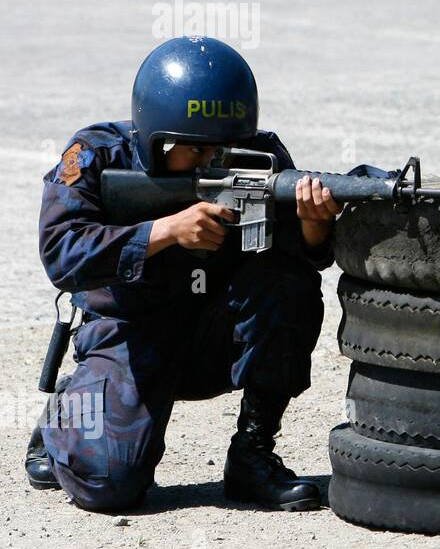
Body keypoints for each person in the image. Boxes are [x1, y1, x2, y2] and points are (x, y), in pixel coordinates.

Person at [24, 36, 340, 512]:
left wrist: (315, 224)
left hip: (215, 336)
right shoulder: (97, 156)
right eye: (193, 152)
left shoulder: (260, 159)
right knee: (110, 485)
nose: (210, 163)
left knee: (286, 284)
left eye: (223, 150)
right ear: (155, 139)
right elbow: (61, 254)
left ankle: (253, 455)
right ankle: (65, 417)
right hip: (129, 335)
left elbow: (300, 261)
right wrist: (164, 231)